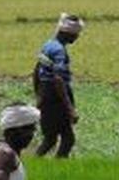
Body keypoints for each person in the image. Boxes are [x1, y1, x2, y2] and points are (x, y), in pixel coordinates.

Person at [34, 13, 84, 158]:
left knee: (50, 139)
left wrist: (38, 94)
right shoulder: (59, 51)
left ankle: (35, 164)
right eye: (76, 34)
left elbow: (36, 70)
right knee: (68, 139)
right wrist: (70, 108)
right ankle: (57, 165)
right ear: (68, 33)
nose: (77, 37)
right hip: (56, 98)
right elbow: (58, 79)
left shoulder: (48, 45)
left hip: (45, 95)